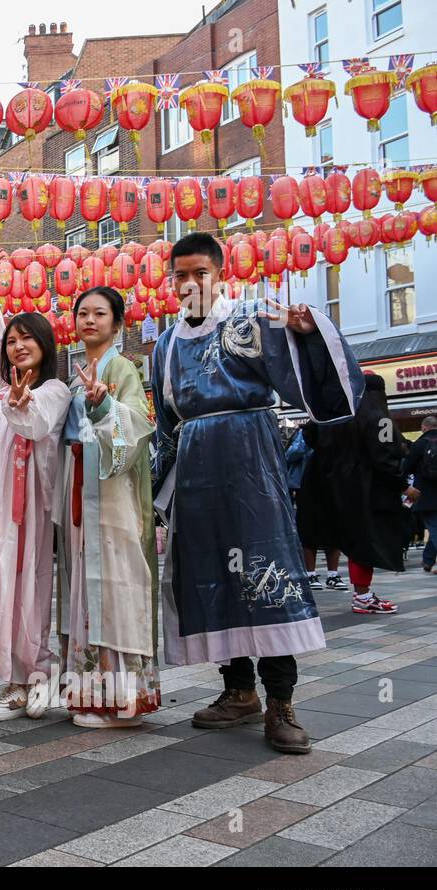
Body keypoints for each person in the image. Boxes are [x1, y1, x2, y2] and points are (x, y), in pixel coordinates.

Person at [152, 231, 362, 755]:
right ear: (171, 281)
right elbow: (164, 424)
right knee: (212, 574)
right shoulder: (165, 344)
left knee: (266, 570)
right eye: (181, 275)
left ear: (219, 273)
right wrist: (159, 491)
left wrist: (308, 331)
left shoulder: (250, 322)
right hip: (196, 465)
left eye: (200, 272)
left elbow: (310, 389)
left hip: (249, 459)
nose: (190, 283)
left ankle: (281, 703)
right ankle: (238, 689)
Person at [0, 248, 71, 721]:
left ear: (47, 345)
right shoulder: (4, 389)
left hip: (30, 511)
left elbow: (34, 424)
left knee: (31, 588)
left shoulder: (53, 392)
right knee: (1, 586)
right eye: (13, 340)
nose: (18, 345)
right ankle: (15, 679)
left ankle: (32, 678)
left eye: (28, 339)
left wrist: (19, 405)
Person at [55, 287, 159, 728]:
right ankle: (92, 694)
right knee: (85, 585)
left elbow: (137, 424)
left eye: (100, 313)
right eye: (82, 313)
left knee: (116, 583)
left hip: (113, 497)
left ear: (118, 324)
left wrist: (105, 408)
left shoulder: (123, 368)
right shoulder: (76, 377)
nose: (89, 320)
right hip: (81, 491)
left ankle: (122, 701)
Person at [296, 373, 413, 613]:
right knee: (366, 541)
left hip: (332, 488)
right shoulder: (379, 419)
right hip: (368, 491)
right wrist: (404, 486)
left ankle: (361, 593)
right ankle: (362, 595)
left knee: (350, 540)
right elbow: (385, 458)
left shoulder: (333, 414)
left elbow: (310, 434)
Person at [286, 427, 346, 591]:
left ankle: (332, 574)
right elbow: (291, 455)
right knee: (309, 531)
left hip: (330, 484)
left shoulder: (337, 430)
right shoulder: (306, 432)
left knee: (333, 531)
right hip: (306, 485)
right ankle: (310, 573)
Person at [403, 415, 437, 572]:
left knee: (434, 527)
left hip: (425, 495)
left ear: (424, 427)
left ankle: (428, 560)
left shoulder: (420, 444)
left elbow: (406, 468)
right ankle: (428, 560)